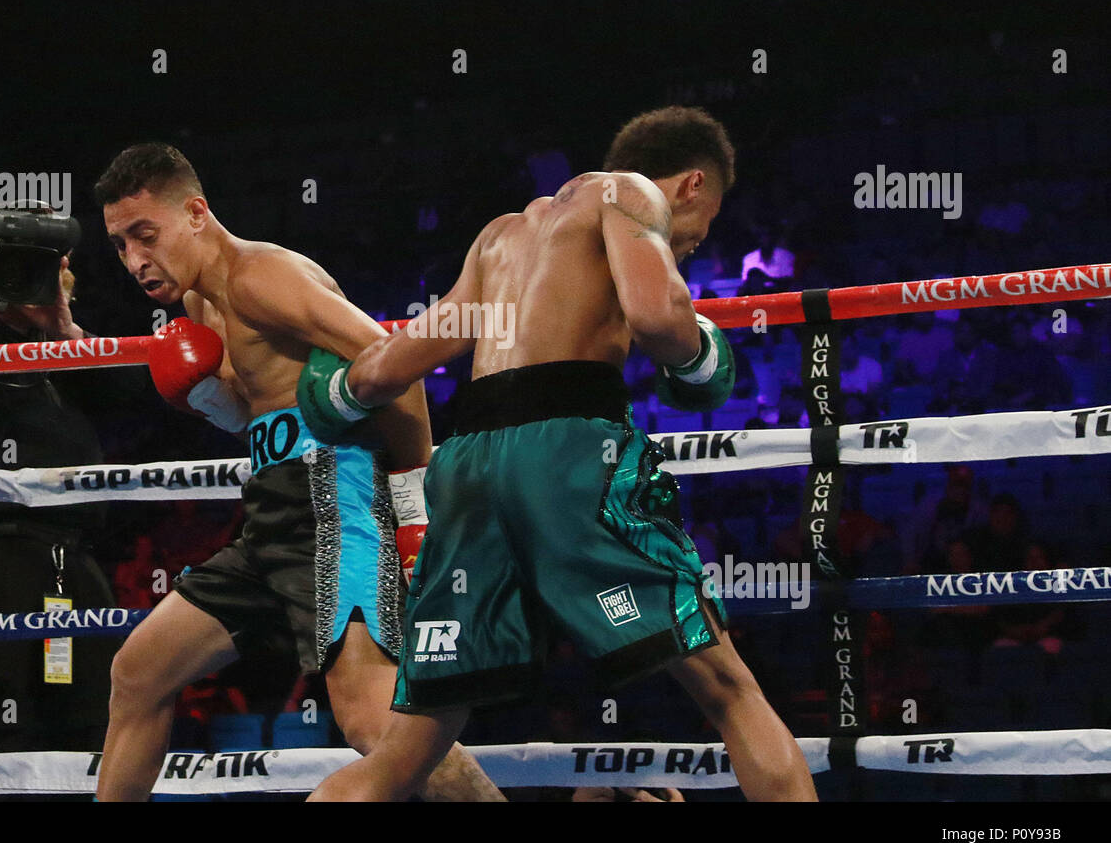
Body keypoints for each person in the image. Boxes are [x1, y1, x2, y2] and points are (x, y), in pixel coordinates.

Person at [302, 106, 817, 801]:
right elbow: (656, 314)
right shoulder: (629, 193)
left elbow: (386, 369)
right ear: (693, 184)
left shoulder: (500, 238)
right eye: (705, 225)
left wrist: (334, 395)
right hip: (570, 452)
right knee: (728, 691)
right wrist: (704, 359)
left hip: (469, 467)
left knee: (405, 753)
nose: (693, 244)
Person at [91, 143, 501, 801]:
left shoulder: (261, 278)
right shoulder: (199, 305)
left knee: (375, 723)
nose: (136, 261)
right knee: (139, 672)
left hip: (335, 501)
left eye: (146, 235)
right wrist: (202, 395)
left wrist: (417, 511)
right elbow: (255, 418)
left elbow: (395, 367)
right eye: (118, 245)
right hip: (270, 514)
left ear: (196, 213)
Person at [0, 245, 129, 799]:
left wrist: (60, 328)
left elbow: (132, 403)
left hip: (76, 563)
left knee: (89, 727)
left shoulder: (55, 353)